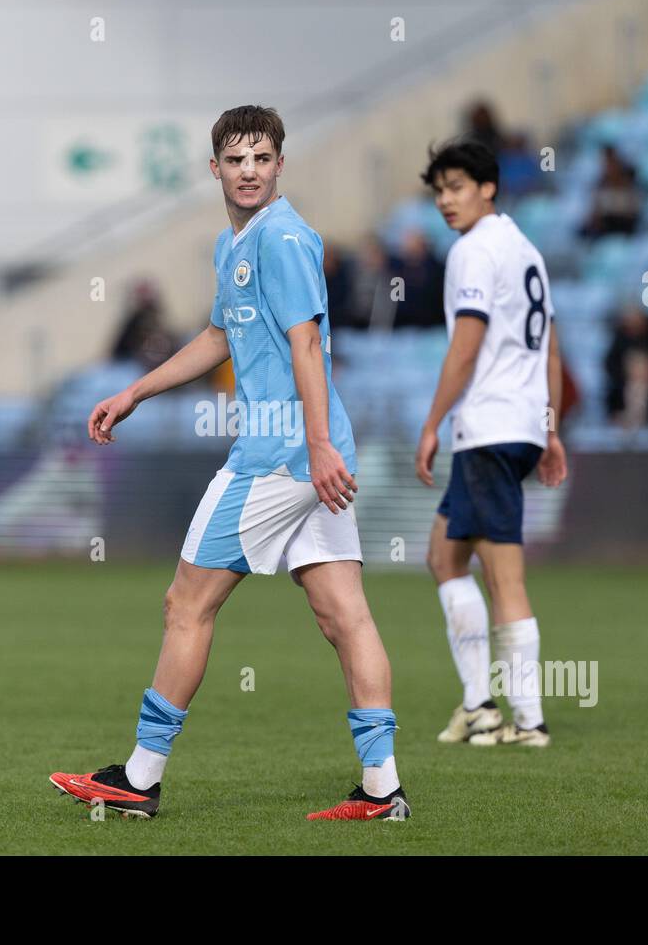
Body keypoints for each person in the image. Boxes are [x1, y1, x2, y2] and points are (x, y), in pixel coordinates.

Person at [50, 106, 410, 821]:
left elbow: (306, 344)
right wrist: (136, 392)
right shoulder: (234, 243)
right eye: (236, 159)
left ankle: (141, 780)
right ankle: (382, 790)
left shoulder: (282, 238)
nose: (249, 170)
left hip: (279, 457)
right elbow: (219, 335)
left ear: (280, 166)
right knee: (345, 616)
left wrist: (313, 445)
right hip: (308, 454)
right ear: (215, 168)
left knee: (187, 603)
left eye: (262, 158)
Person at [414, 139, 567, 748]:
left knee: (504, 577)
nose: (445, 201)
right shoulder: (525, 250)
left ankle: (527, 720)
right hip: (521, 424)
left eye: (456, 186)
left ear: (488, 186)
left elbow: (467, 344)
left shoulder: (474, 251)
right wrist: (550, 428)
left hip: (490, 427)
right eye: (438, 191)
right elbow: (552, 346)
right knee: (443, 556)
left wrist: (431, 423)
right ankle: (479, 705)